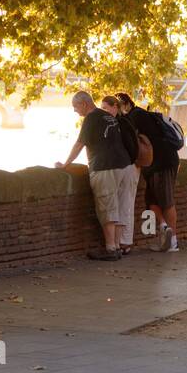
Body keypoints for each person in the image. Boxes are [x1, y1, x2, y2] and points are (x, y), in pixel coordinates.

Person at [55, 91, 133, 261]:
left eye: (75, 107)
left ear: (84, 104)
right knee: (119, 207)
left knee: (107, 207)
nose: (75, 111)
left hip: (106, 166)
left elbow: (79, 144)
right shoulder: (108, 116)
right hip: (125, 165)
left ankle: (110, 248)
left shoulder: (90, 118)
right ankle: (118, 246)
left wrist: (65, 164)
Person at [117, 92, 180, 253]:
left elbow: (131, 142)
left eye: (118, 106)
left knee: (166, 200)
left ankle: (173, 242)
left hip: (162, 161)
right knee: (151, 199)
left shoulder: (135, 116)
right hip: (154, 163)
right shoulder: (141, 115)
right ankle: (163, 227)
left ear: (125, 104)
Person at [101, 95, 140, 255]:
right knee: (124, 205)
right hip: (128, 166)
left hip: (126, 167)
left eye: (105, 108)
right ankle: (123, 242)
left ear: (115, 107)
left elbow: (126, 146)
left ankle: (123, 243)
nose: (103, 111)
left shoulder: (119, 123)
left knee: (124, 205)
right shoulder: (123, 122)